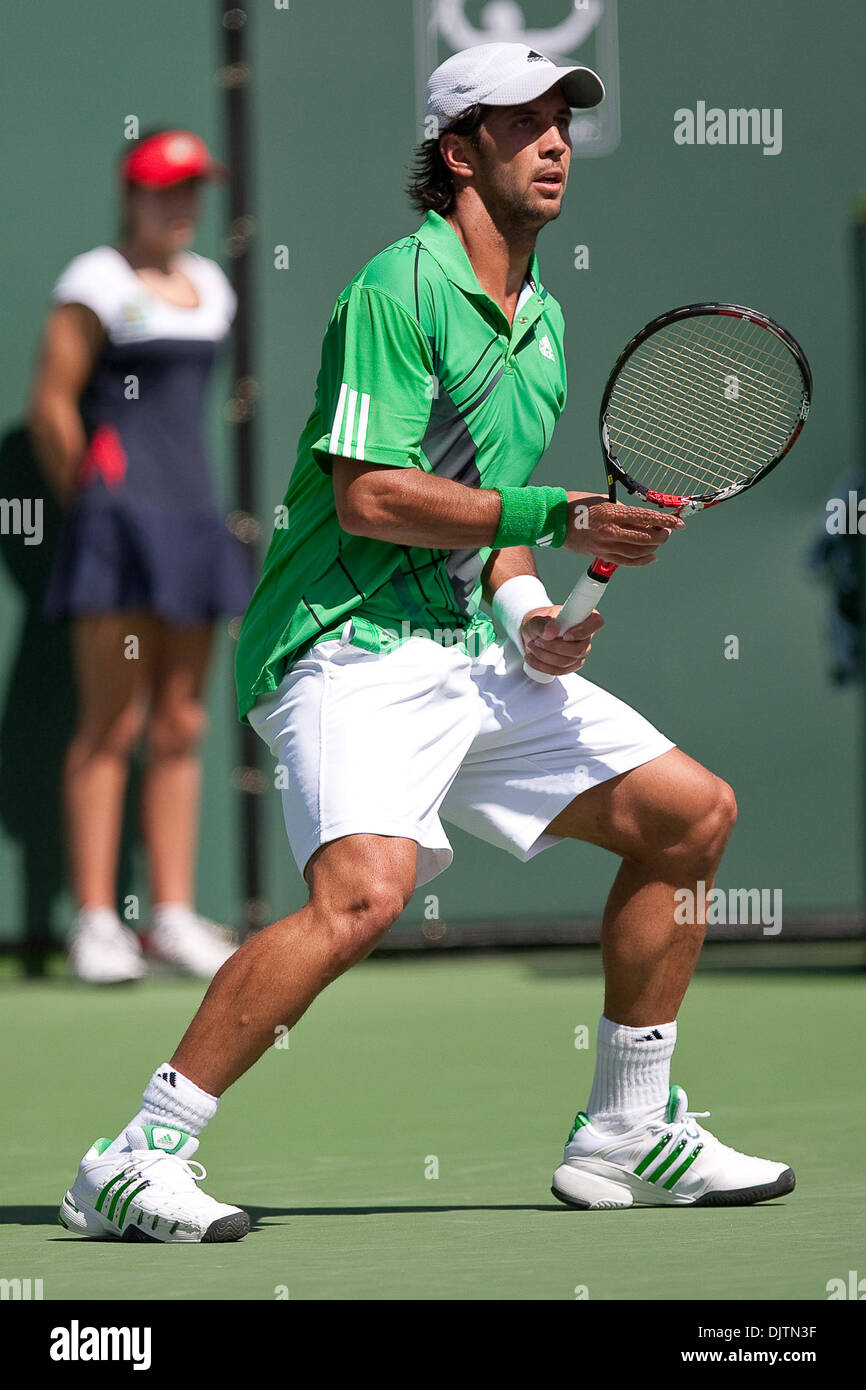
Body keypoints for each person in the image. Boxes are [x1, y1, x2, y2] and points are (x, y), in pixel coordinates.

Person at [58, 47, 793, 1243]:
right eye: (522, 125)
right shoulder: (395, 291)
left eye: (562, 121)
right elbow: (370, 496)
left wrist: (530, 617)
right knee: (363, 892)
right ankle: (135, 1156)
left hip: (460, 646)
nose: (553, 142)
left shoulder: (542, 323)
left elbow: (488, 534)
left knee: (688, 814)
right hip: (340, 645)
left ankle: (623, 1127)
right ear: (458, 152)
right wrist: (554, 514)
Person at [28, 130, 252, 984]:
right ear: (132, 194)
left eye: (192, 190)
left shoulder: (213, 288)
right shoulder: (95, 283)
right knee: (110, 724)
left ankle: (169, 917)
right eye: (165, 189)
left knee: (183, 725)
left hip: (193, 521)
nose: (181, 205)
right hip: (117, 527)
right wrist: (95, 504)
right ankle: (93, 922)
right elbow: (51, 404)